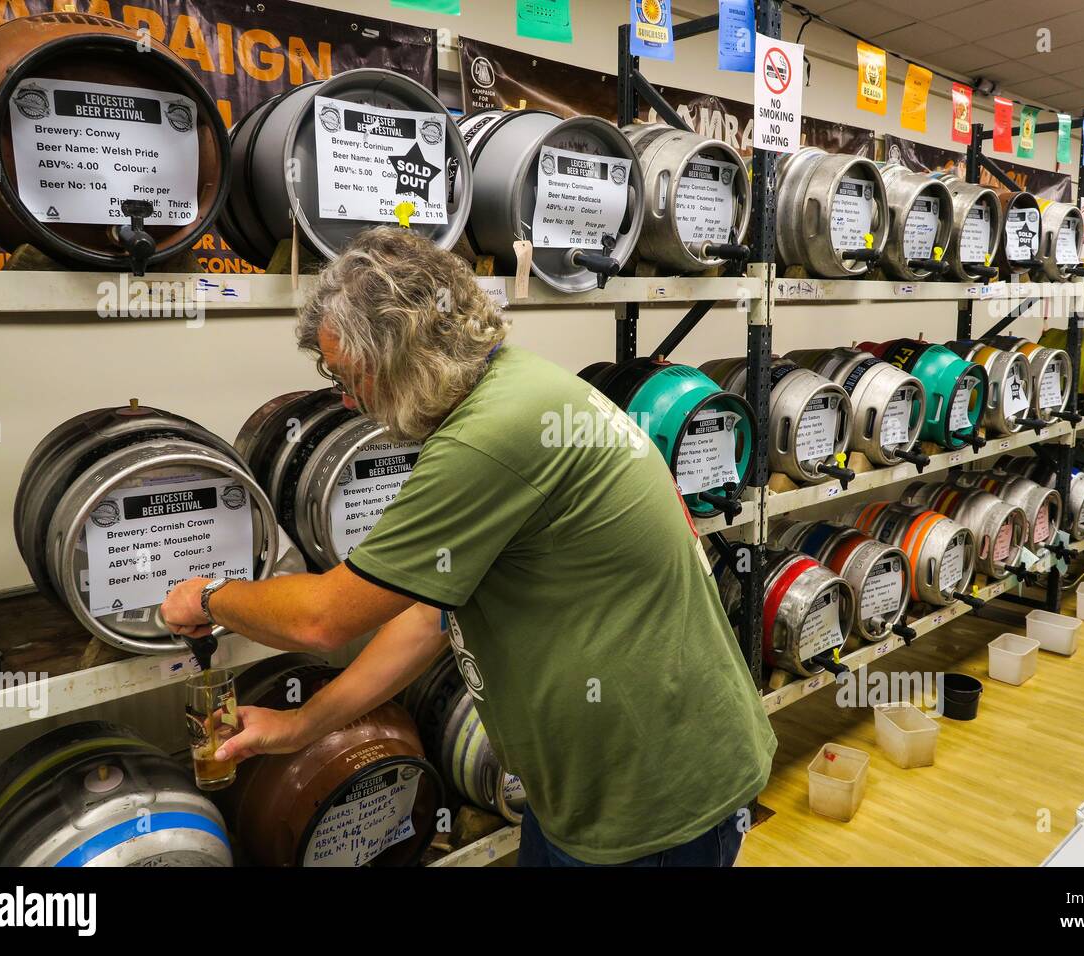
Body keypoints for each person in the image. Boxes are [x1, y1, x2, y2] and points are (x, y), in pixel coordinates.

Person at [161, 227, 776, 867]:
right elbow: (430, 614)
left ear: (399, 353)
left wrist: (210, 598)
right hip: (584, 789)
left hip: (654, 801)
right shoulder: (513, 384)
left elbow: (323, 617)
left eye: (348, 374)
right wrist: (303, 725)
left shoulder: (490, 435)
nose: (345, 398)